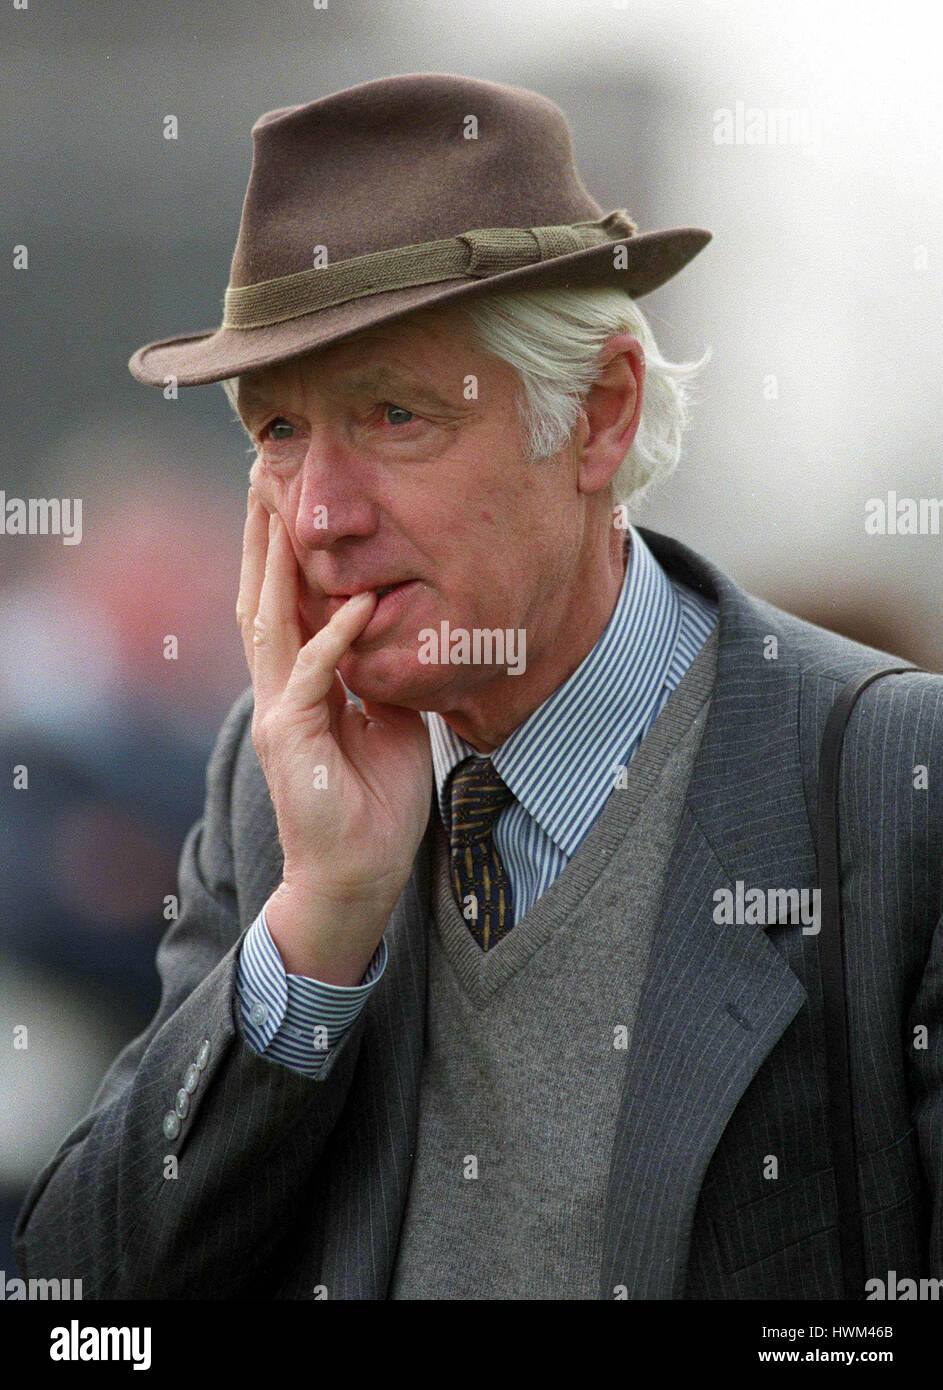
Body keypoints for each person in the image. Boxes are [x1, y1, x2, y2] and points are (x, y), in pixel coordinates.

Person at [14, 72, 943, 1300]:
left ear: (599, 417)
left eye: (392, 413)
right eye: (278, 432)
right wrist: (320, 923)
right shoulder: (275, 777)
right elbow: (83, 1304)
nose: (322, 516)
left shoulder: (887, 787)